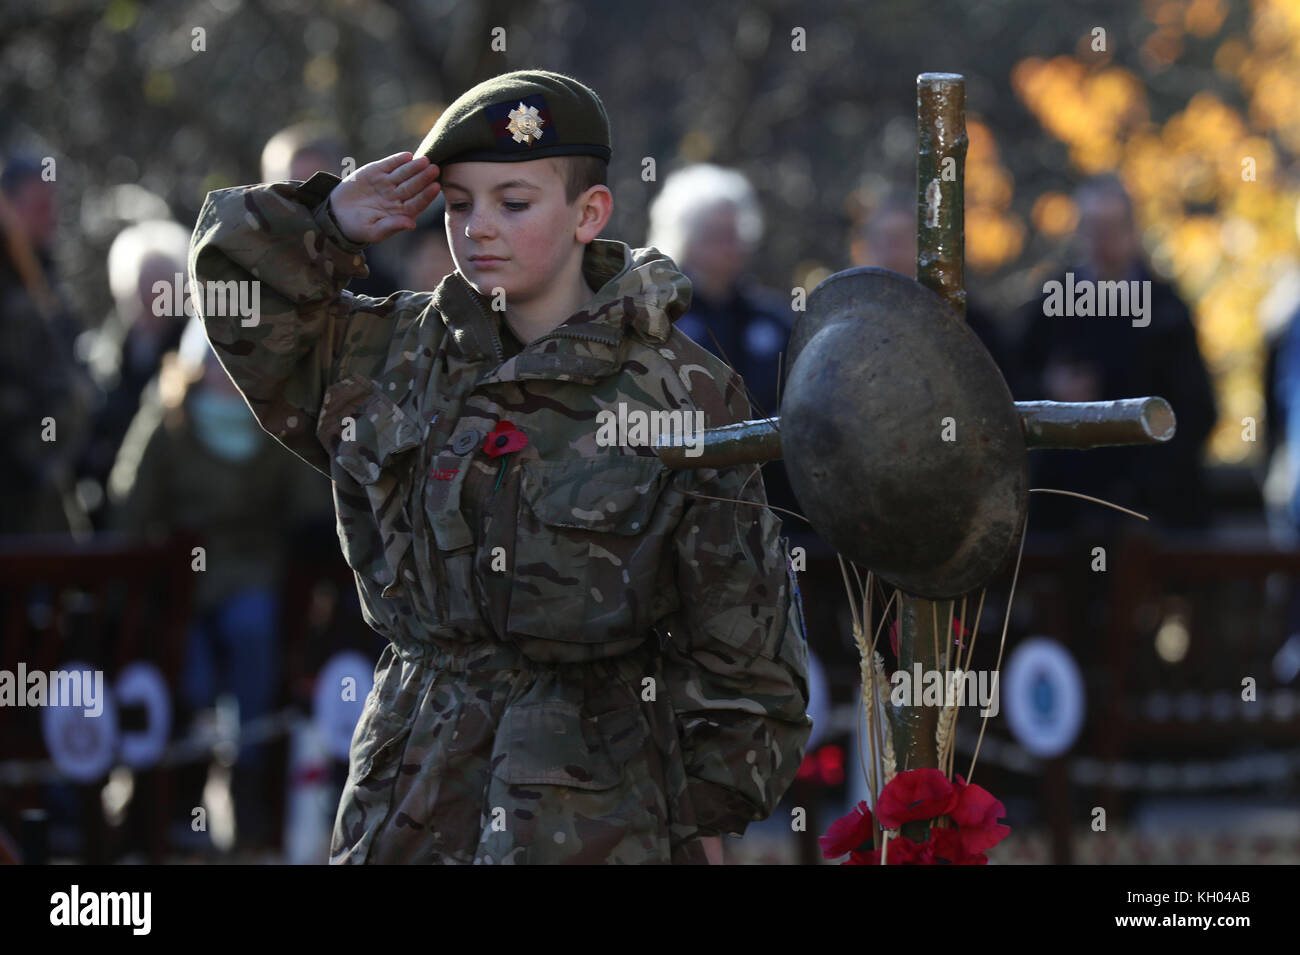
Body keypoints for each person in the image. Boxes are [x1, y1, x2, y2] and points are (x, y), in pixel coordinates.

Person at [190, 69, 813, 864]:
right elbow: (239, 297)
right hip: (411, 792)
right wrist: (330, 220)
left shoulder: (679, 385)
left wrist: (688, 816)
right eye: (457, 204)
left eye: (513, 203)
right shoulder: (391, 354)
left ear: (590, 213)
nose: (478, 227)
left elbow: (745, 639)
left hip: (600, 805)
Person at [106, 315, 312, 850]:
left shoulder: (274, 423)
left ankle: (250, 794)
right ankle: (182, 804)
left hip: (253, 574)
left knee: (252, 642)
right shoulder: (168, 418)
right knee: (188, 676)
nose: (226, 374)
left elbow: (310, 504)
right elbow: (130, 503)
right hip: (182, 589)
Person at [1015, 174, 1218, 535]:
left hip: (1151, 507)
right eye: (1092, 227)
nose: (1101, 240)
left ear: (1132, 231)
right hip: (1065, 506)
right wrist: (1050, 392)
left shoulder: (1165, 309)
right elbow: (1007, 389)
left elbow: (1198, 410)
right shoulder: (1051, 304)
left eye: (1111, 228)